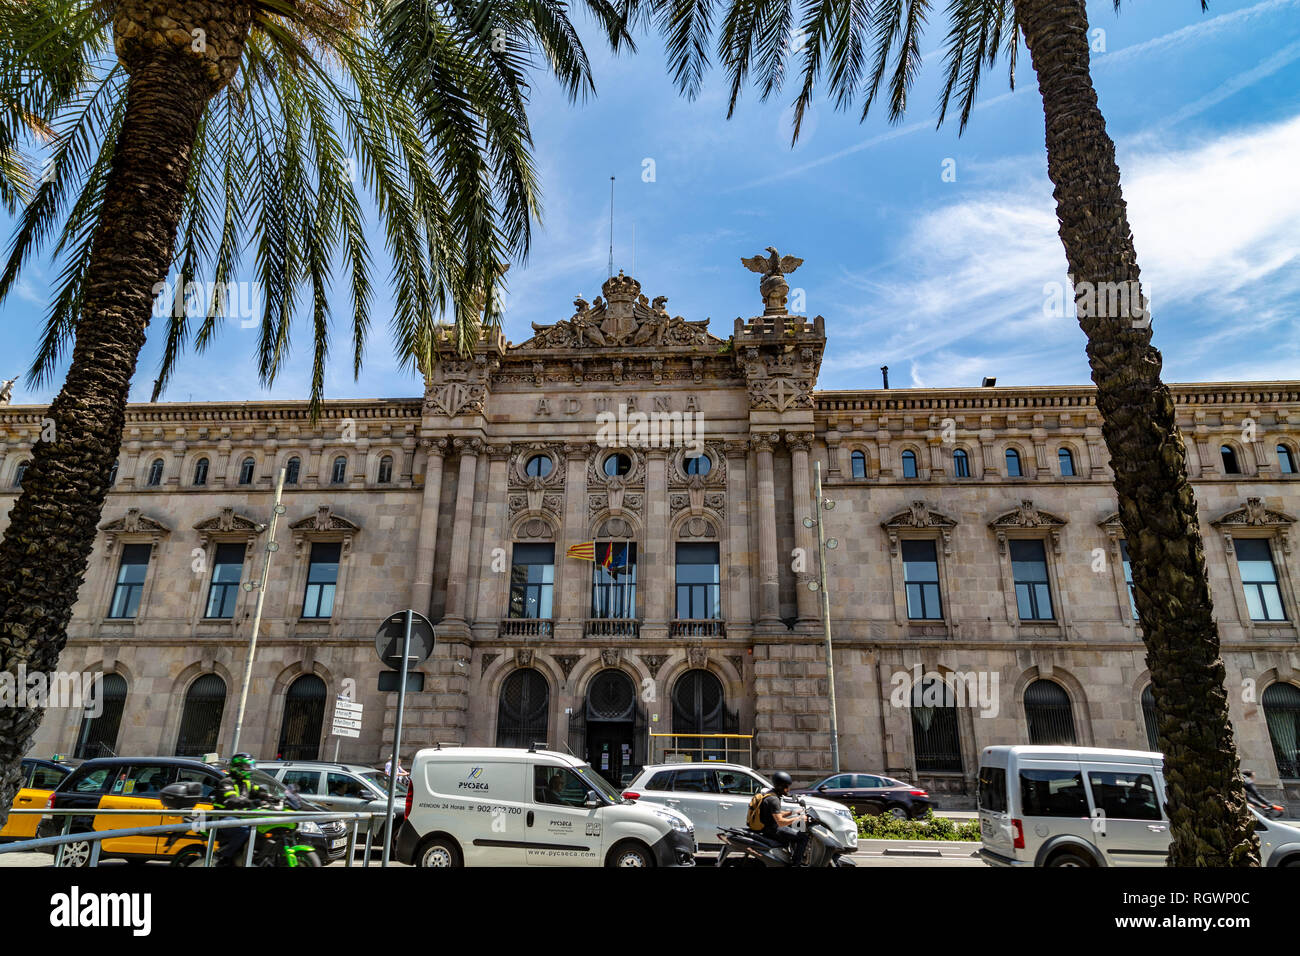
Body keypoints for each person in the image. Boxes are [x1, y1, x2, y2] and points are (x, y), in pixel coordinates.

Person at [213, 753, 273, 864]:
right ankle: (224, 856)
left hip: (239, 818)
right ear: (237, 767)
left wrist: (272, 797)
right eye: (247, 767)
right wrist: (252, 802)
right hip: (223, 818)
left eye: (250, 766)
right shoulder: (226, 782)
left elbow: (258, 790)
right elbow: (232, 801)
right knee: (244, 830)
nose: (249, 769)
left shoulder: (246, 783)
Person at [756, 771, 810, 866]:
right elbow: (780, 822)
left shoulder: (771, 794)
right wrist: (798, 818)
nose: (788, 789)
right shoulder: (774, 800)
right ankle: (796, 863)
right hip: (773, 830)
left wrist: (792, 812)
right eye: (787, 787)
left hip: (769, 827)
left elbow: (776, 814)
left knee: (796, 827)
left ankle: (790, 853)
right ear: (781, 786)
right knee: (803, 838)